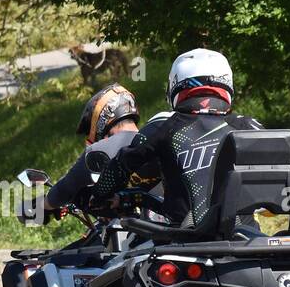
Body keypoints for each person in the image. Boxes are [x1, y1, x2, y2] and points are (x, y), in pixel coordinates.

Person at [90, 48, 262, 227]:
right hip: (248, 238)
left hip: (186, 241)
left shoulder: (165, 128)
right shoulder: (250, 127)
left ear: (176, 86)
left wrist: (99, 194)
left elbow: (121, 165)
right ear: (227, 85)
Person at [21, 84, 141, 223]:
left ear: (102, 117)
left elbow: (66, 187)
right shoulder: (153, 138)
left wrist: (42, 205)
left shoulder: (102, 150)